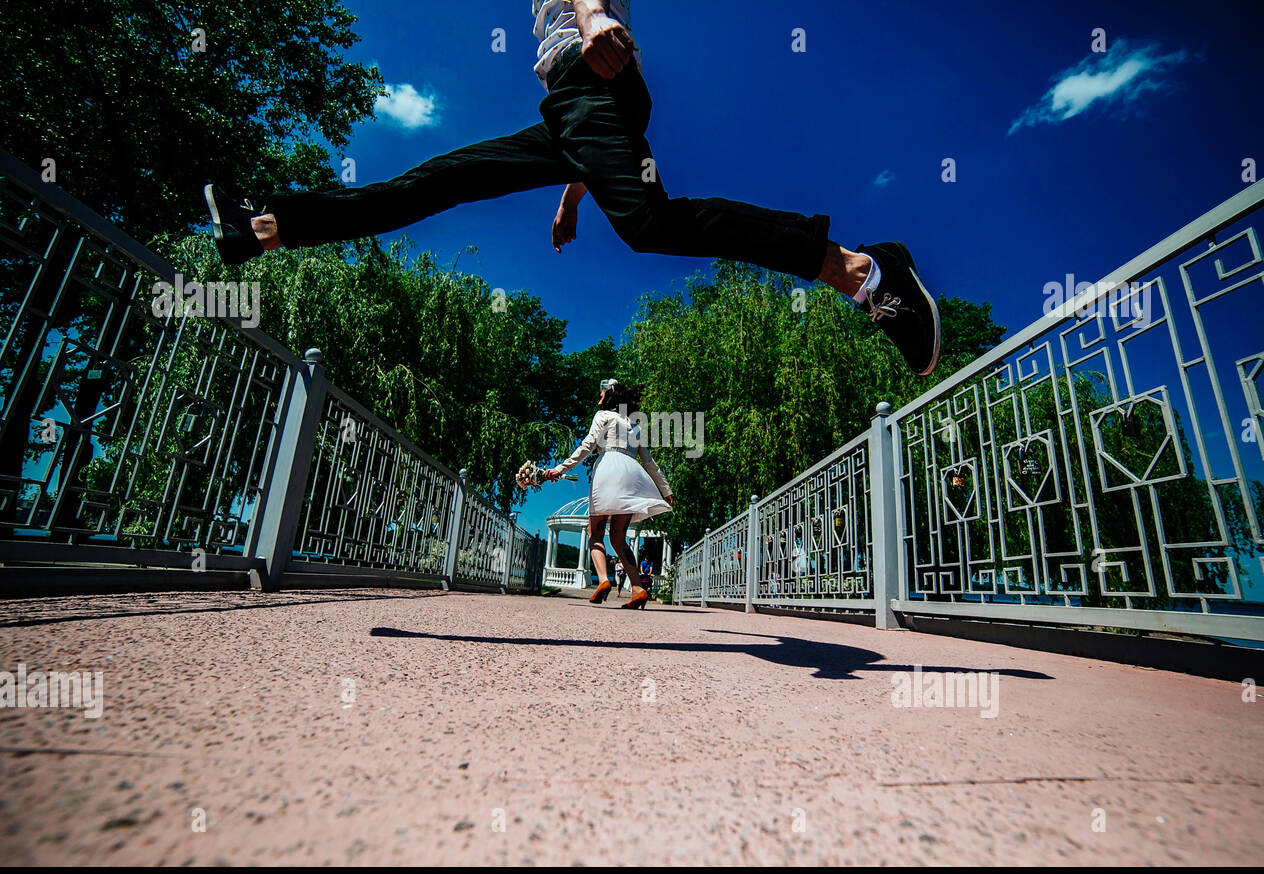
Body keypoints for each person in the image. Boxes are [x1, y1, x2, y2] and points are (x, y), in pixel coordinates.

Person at [203, 0, 941, 376]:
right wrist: (568, 198)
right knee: (433, 183)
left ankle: (862, 271)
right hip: (572, 113)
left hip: (594, 86)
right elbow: (593, 144)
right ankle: (265, 227)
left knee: (650, 225)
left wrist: (590, 16)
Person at [543, 378, 670, 609]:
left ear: (609, 396)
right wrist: (665, 489)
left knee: (596, 534)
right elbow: (650, 463)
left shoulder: (602, 416)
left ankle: (602, 580)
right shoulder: (634, 425)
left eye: (601, 395)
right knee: (619, 537)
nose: (598, 399)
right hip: (632, 472)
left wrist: (559, 469)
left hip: (608, 469)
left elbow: (586, 445)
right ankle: (639, 588)